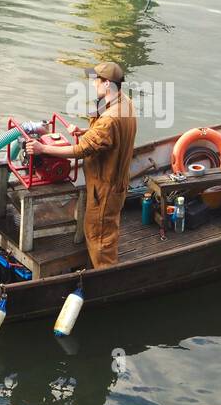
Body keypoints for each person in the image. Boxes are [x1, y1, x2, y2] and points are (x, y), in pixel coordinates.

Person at [24, 62, 137, 269]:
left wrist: (43, 149)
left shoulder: (109, 121)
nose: (94, 84)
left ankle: (106, 280)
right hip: (117, 183)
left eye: (97, 80)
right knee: (108, 229)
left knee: (100, 237)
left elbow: (79, 151)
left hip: (104, 189)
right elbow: (107, 137)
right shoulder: (125, 102)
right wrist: (86, 132)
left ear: (107, 84)